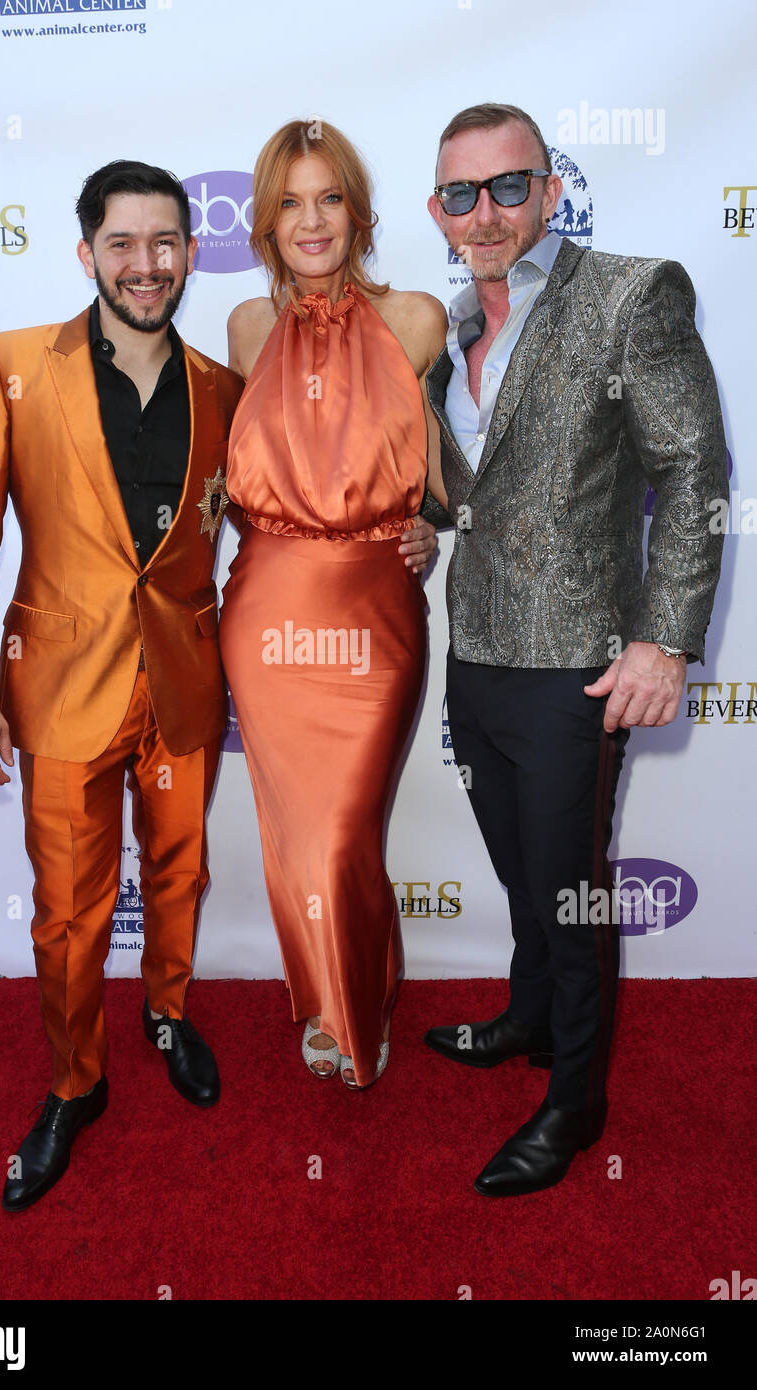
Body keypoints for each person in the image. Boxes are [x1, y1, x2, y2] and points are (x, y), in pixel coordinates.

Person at [420, 104, 727, 1194]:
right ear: (437, 210)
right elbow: (469, 490)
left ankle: (574, 1100)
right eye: (461, 194)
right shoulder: (449, 329)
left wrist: (663, 639)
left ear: (549, 189)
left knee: (571, 892)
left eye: (508, 187)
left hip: (580, 659)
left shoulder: (631, 292)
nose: (487, 213)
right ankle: (530, 1016)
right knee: (523, 871)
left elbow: (693, 471)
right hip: (478, 647)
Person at [0, 160, 243, 1211]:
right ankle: (76, 1081)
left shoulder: (221, 388)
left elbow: (270, 525)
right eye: (122, 244)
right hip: (60, 690)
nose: (144, 265)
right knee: (67, 913)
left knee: (179, 875)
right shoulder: (14, 364)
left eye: (164, 244)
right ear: (87, 253)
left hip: (186, 688)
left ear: (191, 253)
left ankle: (166, 1012)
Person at [218, 119, 447, 1089]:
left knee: (346, 828)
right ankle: (325, 999)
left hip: (371, 604)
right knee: (291, 834)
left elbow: (438, 470)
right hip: (266, 603)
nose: (311, 220)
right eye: (289, 202)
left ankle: (358, 1000)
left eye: (329, 197)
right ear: (265, 224)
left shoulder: (417, 319)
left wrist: (435, 526)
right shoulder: (243, 330)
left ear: (357, 210)